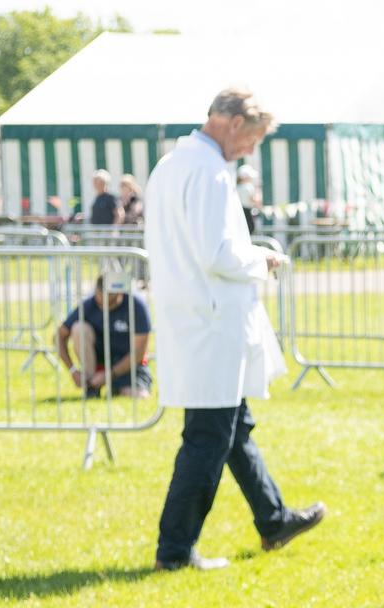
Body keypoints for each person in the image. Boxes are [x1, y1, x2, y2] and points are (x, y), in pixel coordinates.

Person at [145, 87, 325, 572]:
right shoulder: (208, 173)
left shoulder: (172, 166)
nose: (251, 149)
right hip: (212, 320)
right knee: (208, 438)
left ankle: (273, 519)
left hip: (195, 315)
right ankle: (175, 550)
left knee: (233, 427)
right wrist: (261, 259)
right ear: (231, 122)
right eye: (253, 138)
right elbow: (218, 254)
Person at [54, 267, 152, 397]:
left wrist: (110, 375)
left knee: (140, 396)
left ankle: (117, 387)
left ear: (119, 293)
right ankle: (91, 386)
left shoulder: (136, 306)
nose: (100, 301)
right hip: (99, 363)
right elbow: (58, 337)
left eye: (107, 298)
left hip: (128, 365)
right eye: (98, 295)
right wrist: (72, 370)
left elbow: (139, 352)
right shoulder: (89, 305)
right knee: (78, 328)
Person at [236, 164, 262, 235]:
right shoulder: (248, 187)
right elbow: (255, 201)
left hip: (239, 212)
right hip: (247, 212)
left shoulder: (236, 188)